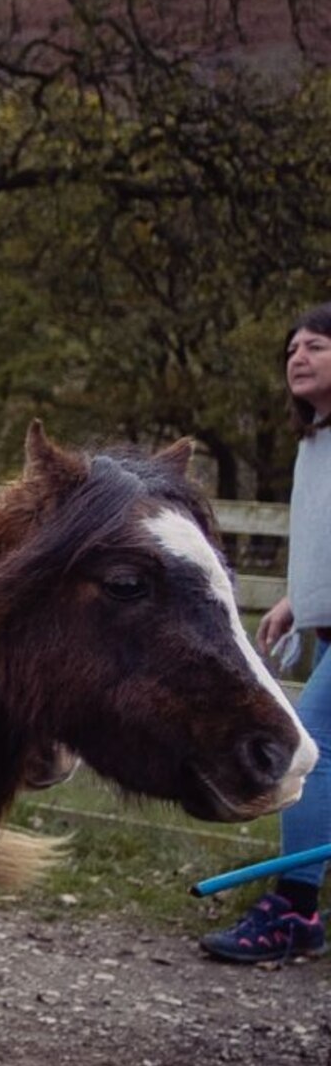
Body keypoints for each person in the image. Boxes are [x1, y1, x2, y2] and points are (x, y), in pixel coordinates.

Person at [200, 303, 331, 974]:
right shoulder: (313, 441)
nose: (298, 357)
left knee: (312, 749)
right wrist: (297, 600)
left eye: (316, 345)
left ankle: (296, 909)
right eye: (291, 350)